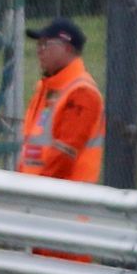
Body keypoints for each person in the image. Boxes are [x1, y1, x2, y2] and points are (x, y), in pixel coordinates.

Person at [17, 18, 104, 184]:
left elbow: (64, 155)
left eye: (45, 44)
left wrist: (36, 191)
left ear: (67, 48)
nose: (39, 51)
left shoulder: (82, 93)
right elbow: (30, 151)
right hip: (37, 199)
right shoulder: (46, 88)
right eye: (38, 45)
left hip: (62, 203)